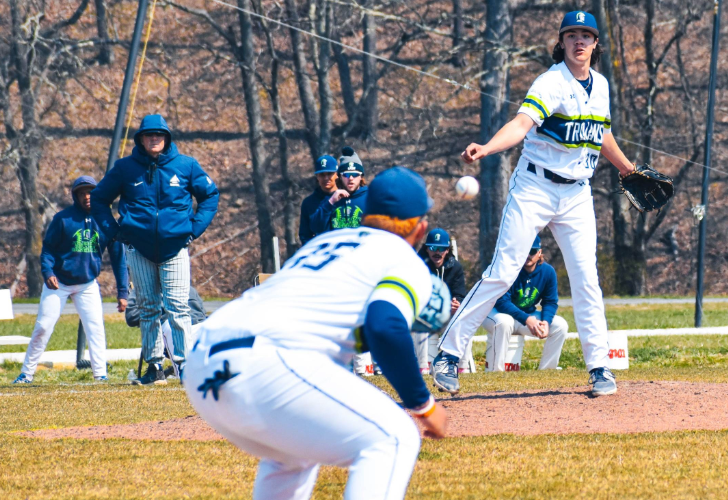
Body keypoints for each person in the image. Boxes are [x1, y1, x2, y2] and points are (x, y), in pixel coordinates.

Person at [183, 167, 449, 500]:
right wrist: (423, 405)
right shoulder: (403, 260)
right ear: (421, 227)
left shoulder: (325, 242)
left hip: (202, 361)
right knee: (394, 437)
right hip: (268, 361)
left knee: (291, 456)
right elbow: (384, 324)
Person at [433, 10, 637, 397]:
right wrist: (488, 147)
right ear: (561, 42)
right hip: (535, 188)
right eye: (572, 34)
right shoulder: (550, 83)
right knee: (502, 272)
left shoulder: (602, 86)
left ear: (596, 44)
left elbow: (601, 133)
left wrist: (627, 169)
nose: (579, 41)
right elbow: (521, 125)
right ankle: (448, 355)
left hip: (577, 192)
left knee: (586, 279)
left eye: (587, 35)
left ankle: (599, 367)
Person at [91, 113, 220, 386]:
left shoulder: (186, 165)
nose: (154, 139)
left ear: (167, 138)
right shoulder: (125, 168)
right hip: (138, 250)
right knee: (148, 309)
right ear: (140, 139)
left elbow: (210, 195)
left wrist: (194, 229)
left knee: (178, 307)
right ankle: (155, 368)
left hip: (175, 248)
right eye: (149, 135)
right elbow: (100, 198)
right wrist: (115, 232)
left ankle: (185, 365)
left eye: (159, 135)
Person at [14, 176, 128, 383]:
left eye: (91, 192)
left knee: (95, 328)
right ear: (75, 195)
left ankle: (100, 375)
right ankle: (26, 374)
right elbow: (47, 249)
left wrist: (123, 293)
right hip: (59, 282)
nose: (87, 196)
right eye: (82, 192)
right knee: (43, 327)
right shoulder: (63, 219)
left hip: (87, 284)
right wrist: (48, 273)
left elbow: (118, 258)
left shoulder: (106, 221)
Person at [483, 235, 567, 372]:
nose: (528, 255)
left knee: (560, 325)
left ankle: (546, 371)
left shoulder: (548, 272)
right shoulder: (508, 268)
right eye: (524, 250)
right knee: (504, 322)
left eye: (532, 251)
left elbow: (550, 301)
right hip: (496, 313)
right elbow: (502, 302)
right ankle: (496, 372)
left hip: (524, 318)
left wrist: (545, 321)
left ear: (539, 253)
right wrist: (527, 319)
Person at [417, 228, 467, 372]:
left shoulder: (455, 267)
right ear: (427, 249)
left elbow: (460, 294)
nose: (437, 252)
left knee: (463, 321)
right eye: (433, 248)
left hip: (446, 316)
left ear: (447, 250)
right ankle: (422, 368)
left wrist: (457, 303)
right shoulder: (418, 266)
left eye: (441, 248)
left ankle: (461, 368)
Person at [309, 150, 369, 237]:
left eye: (355, 174)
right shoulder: (331, 199)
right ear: (340, 176)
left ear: (361, 177)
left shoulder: (370, 199)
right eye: (346, 175)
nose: (351, 178)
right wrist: (330, 202)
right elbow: (315, 228)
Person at [298, 154, 340, 245]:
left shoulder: (345, 198)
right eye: (322, 175)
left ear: (336, 174)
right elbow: (305, 235)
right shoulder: (309, 203)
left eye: (329, 174)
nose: (326, 178)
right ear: (317, 176)